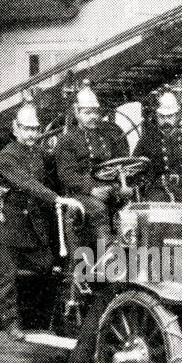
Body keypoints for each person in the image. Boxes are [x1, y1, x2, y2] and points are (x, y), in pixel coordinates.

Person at [0, 101, 58, 341]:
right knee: (7, 275)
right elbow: (27, 183)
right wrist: (55, 198)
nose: (32, 134)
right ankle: (10, 322)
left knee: (46, 265)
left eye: (35, 129)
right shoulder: (6, 156)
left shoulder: (38, 154)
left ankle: (35, 316)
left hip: (28, 227)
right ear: (15, 128)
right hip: (6, 227)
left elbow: (54, 172)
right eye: (26, 129)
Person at [55, 82, 129, 254]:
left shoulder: (107, 136)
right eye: (87, 113)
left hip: (107, 188)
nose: (93, 117)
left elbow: (118, 164)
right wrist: (91, 189)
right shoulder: (67, 140)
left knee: (131, 210)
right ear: (77, 112)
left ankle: (130, 254)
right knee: (99, 208)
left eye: (96, 112)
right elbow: (66, 175)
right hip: (80, 193)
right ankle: (109, 254)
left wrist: (122, 185)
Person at [134, 89, 182, 203]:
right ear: (156, 116)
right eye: (162, 117)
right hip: (155, 196)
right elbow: (135, 169)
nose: (166, 120)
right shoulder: (146, 141)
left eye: (170, 116)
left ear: (176, 116)